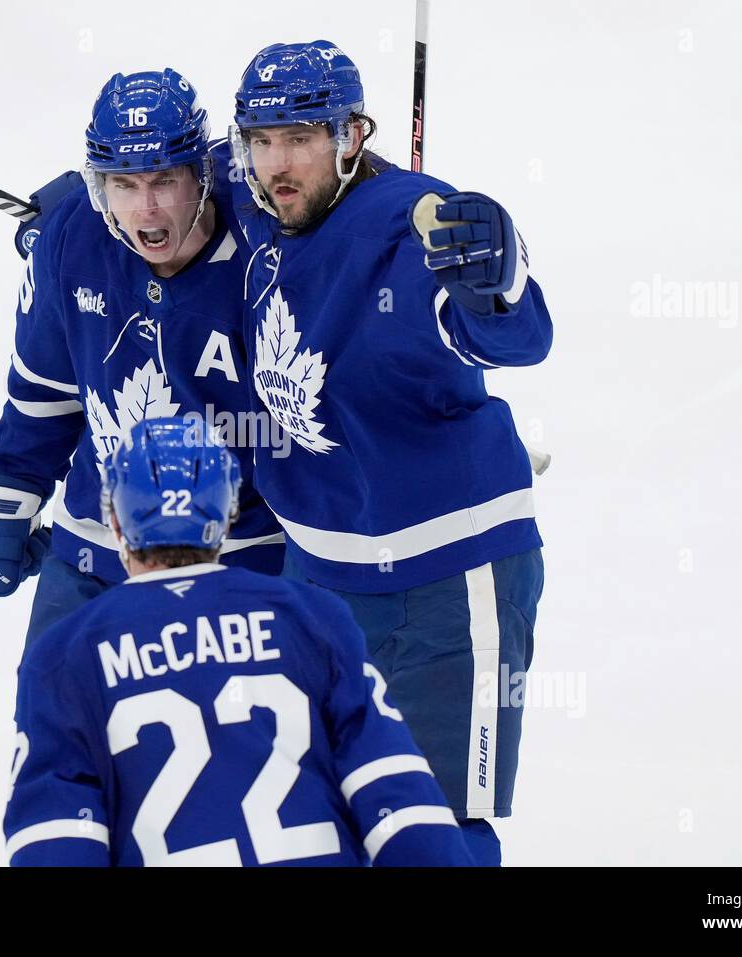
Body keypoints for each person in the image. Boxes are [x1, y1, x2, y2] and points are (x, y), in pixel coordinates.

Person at [226, 41, 554, 865]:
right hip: (320, 580)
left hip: (448, 583)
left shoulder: (411, 229)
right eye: (261, 140)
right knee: (310, 827)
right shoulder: (261, 204)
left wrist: (497, 282)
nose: (276, 163)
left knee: (435, 833)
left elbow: (506, 332)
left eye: (299, 137)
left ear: (353, 135)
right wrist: (69, 216)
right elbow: (167, 184)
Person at [4, 417, 471, 867]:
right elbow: (398, 797)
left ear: (117, 523)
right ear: (228, 515)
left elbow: (56, 835)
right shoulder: (312, 620)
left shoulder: (62, 656)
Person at [0, 69, 283, 647]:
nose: (147, 210)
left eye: (164, 181)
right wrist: (11, 485)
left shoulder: (268, 249)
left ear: (202, 175)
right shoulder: (74, 239)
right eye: (124, 185)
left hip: (240, 570)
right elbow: (45, 393)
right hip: (94, 557)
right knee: (55, 732)